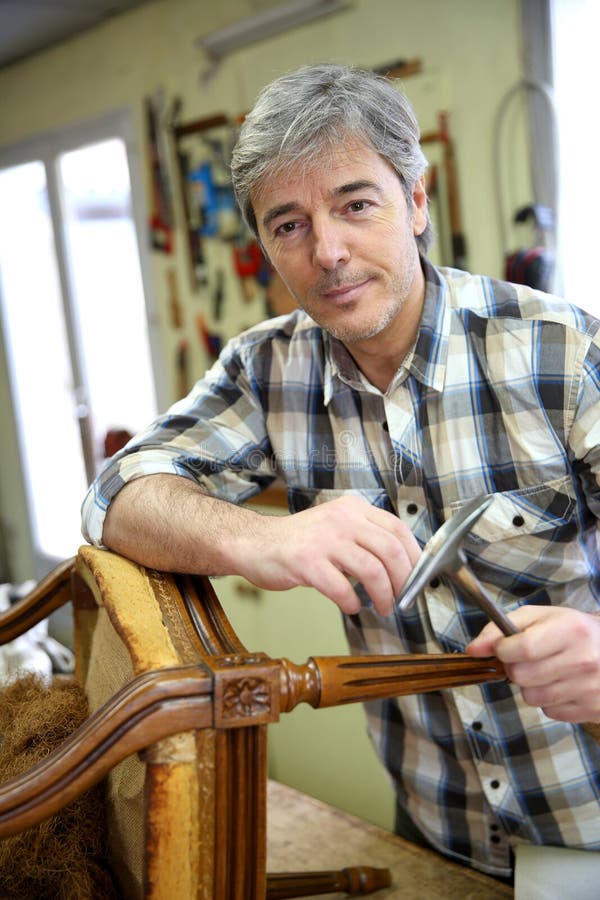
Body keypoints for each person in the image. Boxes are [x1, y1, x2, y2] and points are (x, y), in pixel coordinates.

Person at [81, 63, 600, 880]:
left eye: (356, 205)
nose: (327, 252)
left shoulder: (562, 352)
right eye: (288, 225)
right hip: (437, 830)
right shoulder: (267, 370)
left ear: (416, 202)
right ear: (263, 247)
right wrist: (262, 540)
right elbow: (115, 496)